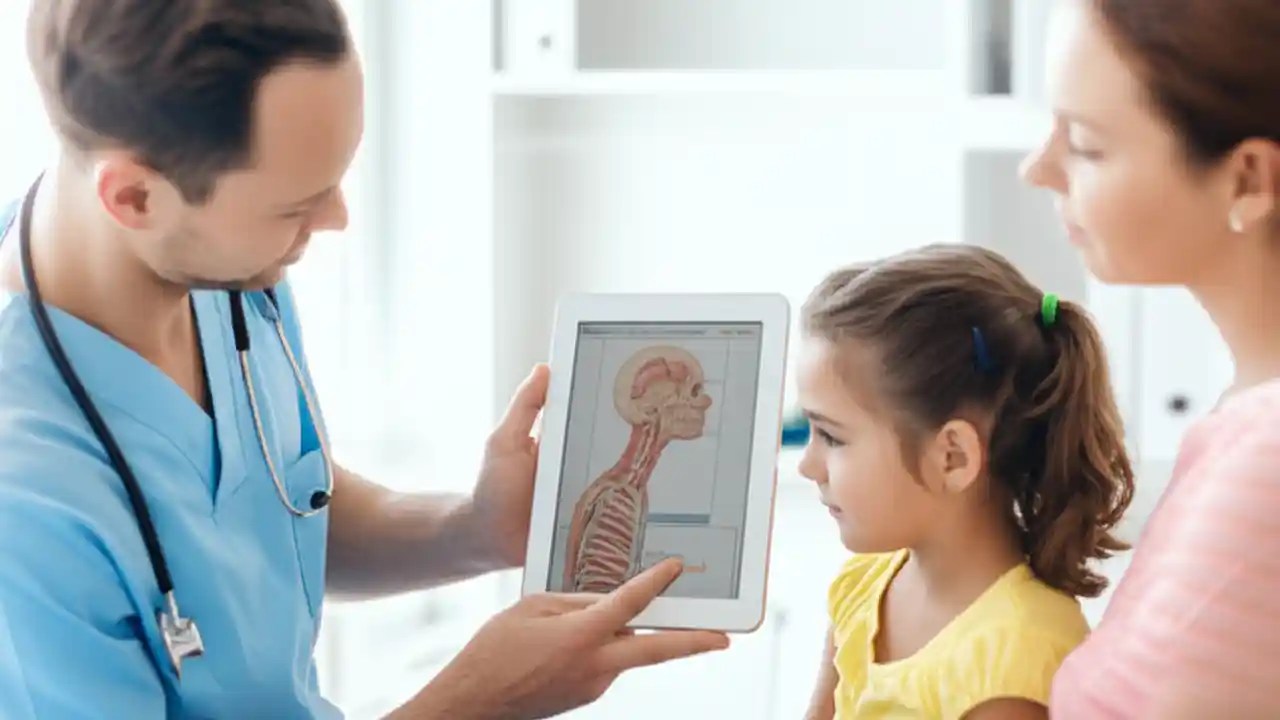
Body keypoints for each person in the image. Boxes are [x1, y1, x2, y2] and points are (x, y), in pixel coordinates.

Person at [0, 1, 728, 718]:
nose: (337, 219)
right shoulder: (27, 498)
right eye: (296, 206)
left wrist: (472, 530)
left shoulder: (221, 268)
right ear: (134, 196)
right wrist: (476, 703)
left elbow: (280, 511)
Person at [1018, 1, 1280, 717]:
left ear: (1248, 179)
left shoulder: (1266, 467)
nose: (1038, 169)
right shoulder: (1243, 423)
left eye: (1088, 144)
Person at [796, 244, 1135, 719]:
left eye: (830, 435)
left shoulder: (1014, 659)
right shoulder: (862, 587)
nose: (807, 466)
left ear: (952, 457)